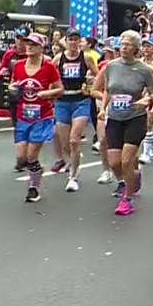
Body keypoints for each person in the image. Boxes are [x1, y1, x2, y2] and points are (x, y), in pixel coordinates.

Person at [94, 30, 153, 216]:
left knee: (127, 160)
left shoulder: (145, 70)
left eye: (128, 44)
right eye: (121, 44)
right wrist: (103, 108)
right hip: (114, 117)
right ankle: (131, 178)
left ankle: (127, 199)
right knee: (114, 163)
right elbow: (106, 90)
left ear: (136, 48)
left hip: (135, 118)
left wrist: (144, 101)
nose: (123, 48)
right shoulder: (111, 66)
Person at [10, 33, 63, 204]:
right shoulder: (18, 65)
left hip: (42, 116)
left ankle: (33, 188)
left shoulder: (48, 67)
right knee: (21, 157)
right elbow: (13, 82)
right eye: (27, 44)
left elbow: (60, 89)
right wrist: (13, 88)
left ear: (41, 48)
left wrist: (47, 92)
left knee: (31, 155)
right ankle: (37, 170)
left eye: (33, 45)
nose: (29, 47)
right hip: (22, 115)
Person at [51, 29, 98, 192]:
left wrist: (91, 83)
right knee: (65, 143)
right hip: (63, 100)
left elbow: (98, 76)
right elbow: (50, 75)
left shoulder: (86, 57)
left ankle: (73, 176)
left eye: (75, 39)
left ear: (79, 41)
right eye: (70, 39)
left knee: (73, 140)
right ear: (66, 41)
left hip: (80, 100)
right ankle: (73, 158)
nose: (72, 42)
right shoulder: (59, 58)